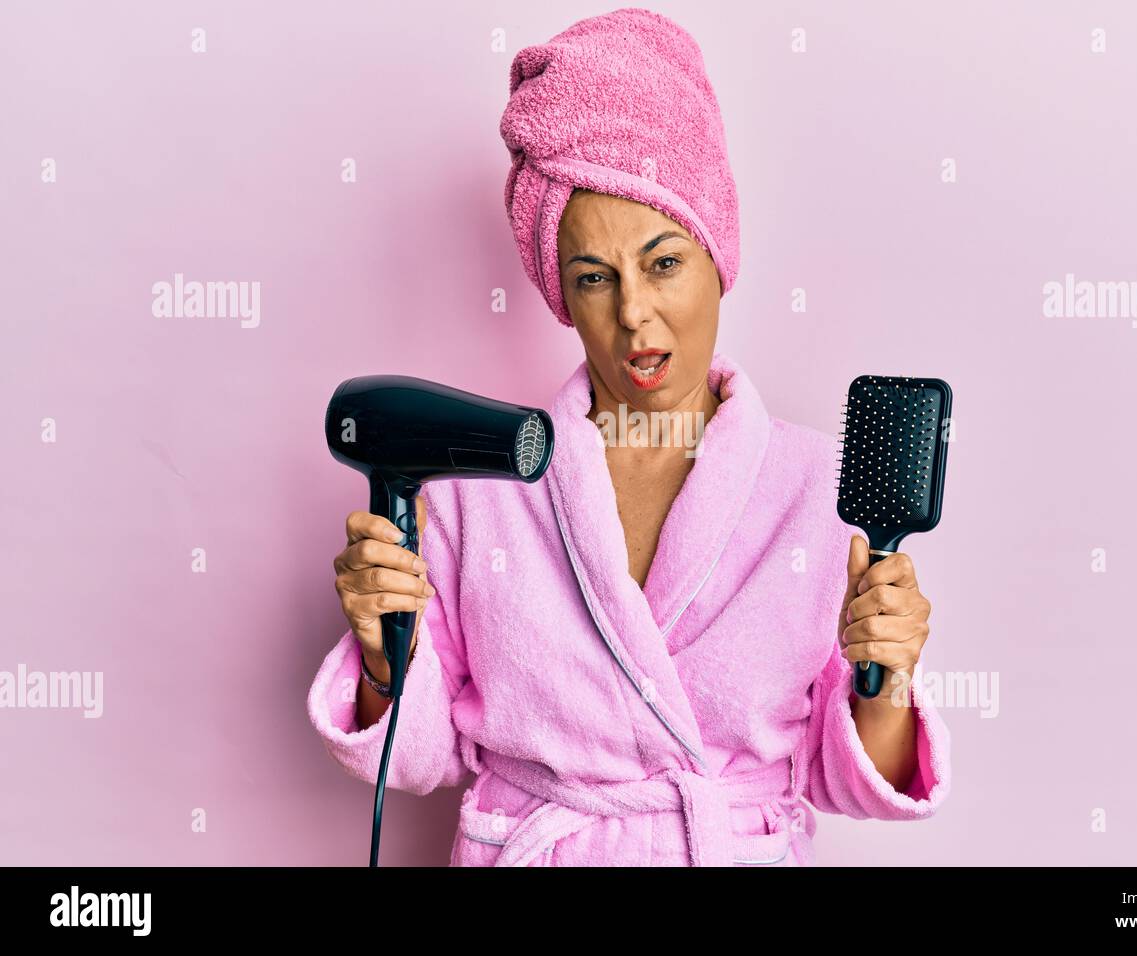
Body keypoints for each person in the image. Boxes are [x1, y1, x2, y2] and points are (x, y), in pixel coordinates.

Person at [308, 7, 951, 867]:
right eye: (593, 278)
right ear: (560, 294)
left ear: (716, 253)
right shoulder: (475, 488)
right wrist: (386, 649)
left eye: (662, 263)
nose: (635, 314)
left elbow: (845, 777)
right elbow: (420, 755)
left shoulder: (823, 490)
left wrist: (889, 672)